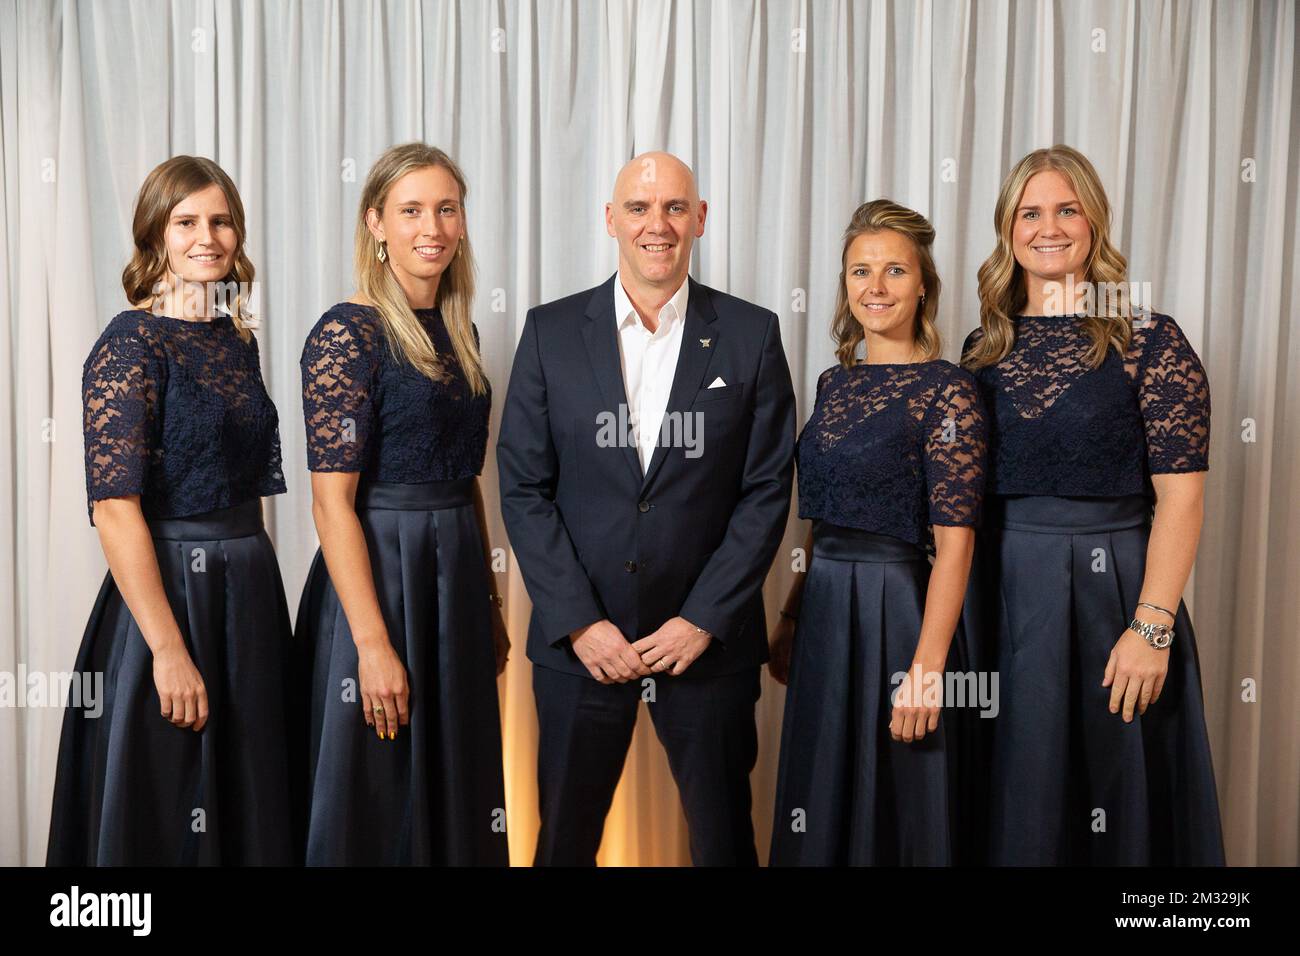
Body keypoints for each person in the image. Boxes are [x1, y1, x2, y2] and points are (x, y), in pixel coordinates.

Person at [497, 151, 796, 866]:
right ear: (610, 219)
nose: (655, 224)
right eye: (638, 207)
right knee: (563, 842)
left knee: (725, 842)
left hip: (707, 646)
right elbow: (523, 487)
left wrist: (703, 619)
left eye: (672, 208)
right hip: (581, 647)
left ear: (699, 219)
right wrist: (578, 621)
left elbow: (765, 490)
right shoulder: (549, 332)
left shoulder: (751, 335)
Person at [962, 144, 1225, 865]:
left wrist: (1153, 625)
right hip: (1003, 598)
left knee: (1118, 783)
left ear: (1094, 220)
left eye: (1066, 209)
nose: (1049, 227)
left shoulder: (1150, 339)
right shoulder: (982, 349)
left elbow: (1183, 499)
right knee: (1017, 791)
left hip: (1119, 596)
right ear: (1008, 229)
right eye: (1031, 212)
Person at [47, 156, 296, 865]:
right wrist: (168, 650)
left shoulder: (234, 338)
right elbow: (116, 509)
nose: (206, 237)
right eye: (186, 222)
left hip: (247, 593)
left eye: (220, 221)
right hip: (168, 601)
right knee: (165, 806)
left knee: (248, 798)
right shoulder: (129, 344)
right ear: (155, 234)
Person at [296, 143, 509, 866]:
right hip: (377, 586)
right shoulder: (346, 333)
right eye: (412, 210)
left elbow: (466, 478)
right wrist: (374, 645)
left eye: (447, 209)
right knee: (378, 790)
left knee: (459, 778)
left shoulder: (463, 336)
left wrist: (489, 602)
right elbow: (331, 506)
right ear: (376, 224)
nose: (433, 227)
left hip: (453, 584)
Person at [767, 200, 986, 866]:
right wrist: (790, 615)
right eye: (860, 271)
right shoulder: (835, 383)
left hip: (901, 611)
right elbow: (821, 517)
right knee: (824, 791)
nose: (876, 286)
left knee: (901, 797)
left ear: (923, 284)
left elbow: (956, 545)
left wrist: (926, 670)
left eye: (895, 270)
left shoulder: (950, 391)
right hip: (826, 614)